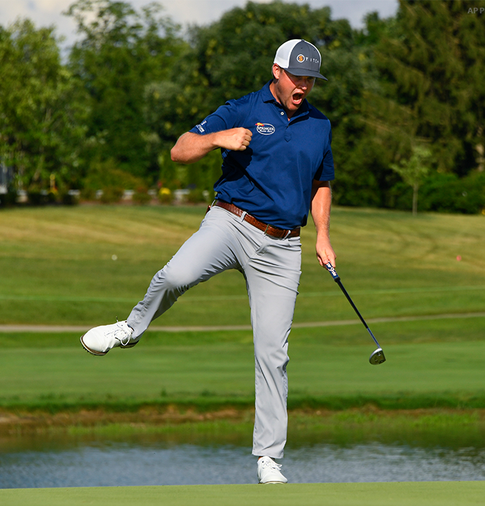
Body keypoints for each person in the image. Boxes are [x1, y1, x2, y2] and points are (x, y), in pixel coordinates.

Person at [79, 39, 336, 484]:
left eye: (311, 79)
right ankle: (129, 329)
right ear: (276, 71)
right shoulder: (240, 108)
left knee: (273, 353)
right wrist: (219, 138)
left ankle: (268, 459)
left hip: (283, 246)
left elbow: (322, 183)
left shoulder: (320, 125)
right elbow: (180, 150)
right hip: (230, 222)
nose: (304, 86)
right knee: (174, 274)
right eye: (298, 76)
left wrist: (324, 236)